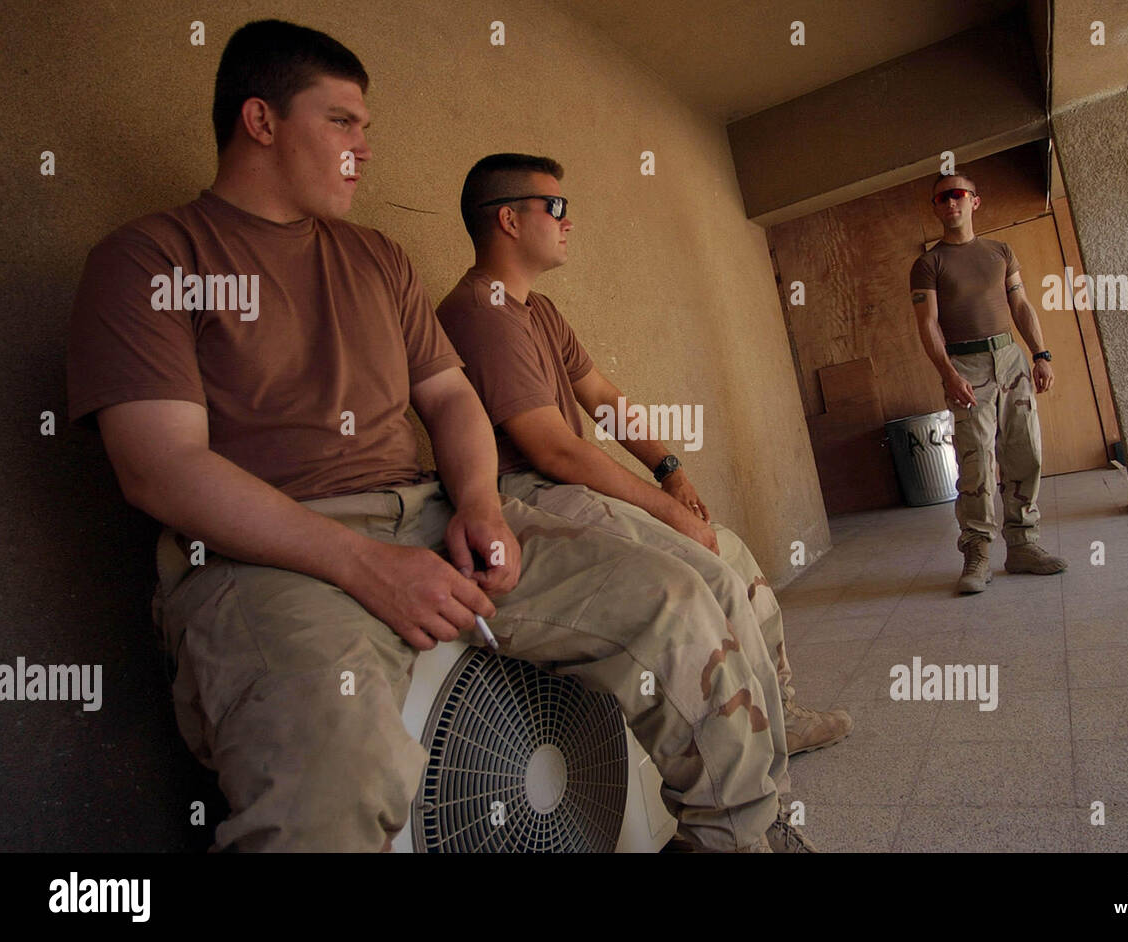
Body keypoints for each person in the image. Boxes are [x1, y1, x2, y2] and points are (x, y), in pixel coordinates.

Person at [67, 20, 802, 852]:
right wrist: (364, 566)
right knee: (337, 777)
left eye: (368, 128)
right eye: (342, 121)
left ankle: (741, 839)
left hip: (425, 516)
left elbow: (450, 399)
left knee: (673, 601)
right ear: (261, 120)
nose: (365, 147)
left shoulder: (377, 257)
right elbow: (160, 469)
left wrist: (481, 502)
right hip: (260, 555)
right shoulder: (150, 258)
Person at [435, 153, 853, 764]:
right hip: (528, 492)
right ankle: (744, 757)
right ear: (509, 220)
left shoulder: (539, 309)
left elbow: (602, 397)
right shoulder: (480, 309)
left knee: (729, 551)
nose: (567, 221)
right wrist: (666, 509)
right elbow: (550, 448)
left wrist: (671, 471)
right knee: (704, 575)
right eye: (556, 207)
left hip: (563, 482)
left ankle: (777, 712)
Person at [909, 171, 1068, 593]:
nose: (950, 203)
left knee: (1025, 453)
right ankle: (977, 554)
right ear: (936, 207)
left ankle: (1023, 546)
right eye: (941, 199)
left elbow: (1021, 304)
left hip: (1011, 360)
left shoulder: (1000, 251)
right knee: (976, 461)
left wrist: (1041, 353)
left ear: (975, 201)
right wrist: (948, 374)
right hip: (966, 367)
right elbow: (927, 324)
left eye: (958, 195)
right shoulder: (929, 264)